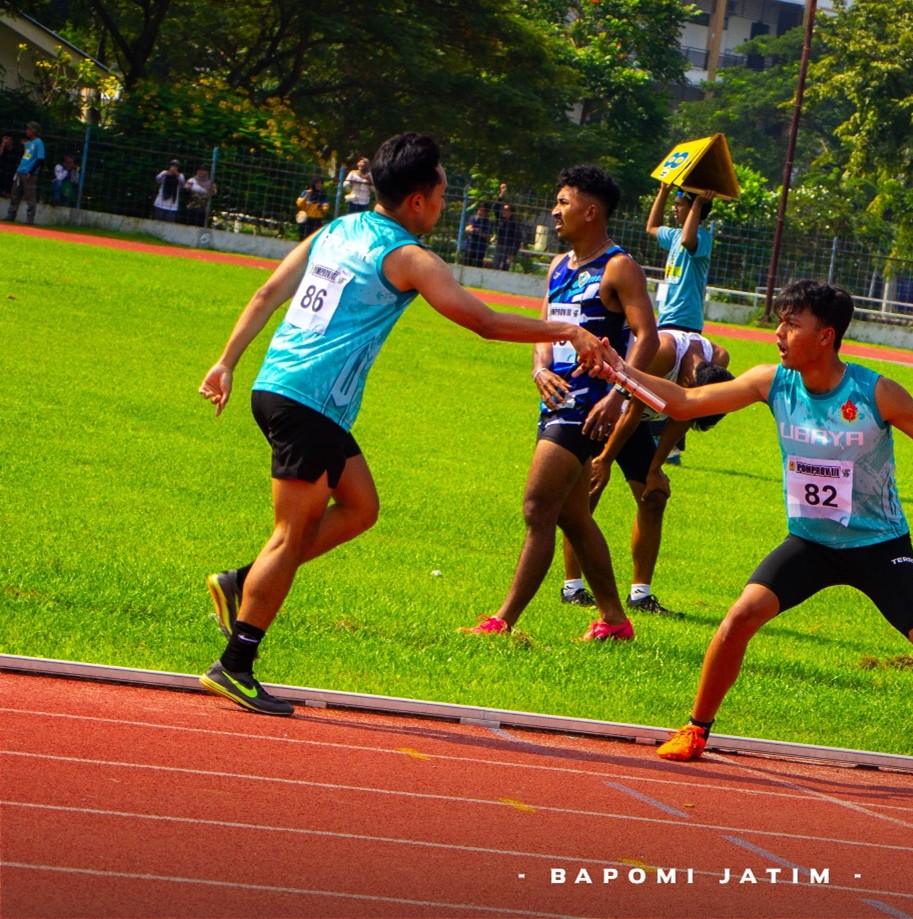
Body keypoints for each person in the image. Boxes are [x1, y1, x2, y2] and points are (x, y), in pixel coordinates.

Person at [196, 132, 606, 716]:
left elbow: (269, 291)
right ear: (417, 199)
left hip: (285, 391)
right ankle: (235, 663)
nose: (444, 204)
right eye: (442, 193)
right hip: (307, 400)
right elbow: (482, 321)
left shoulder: (337, 228)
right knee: (289, 537)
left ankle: (243, 581)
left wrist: (227, 361)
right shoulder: (409, 257)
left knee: (361, 507)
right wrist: (565, 330)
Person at [590, 279, 913, 789]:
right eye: (779, 322)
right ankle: (696, 728)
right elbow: (685, 402)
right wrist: (622, 372)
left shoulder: (876, 393)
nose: (778, 334)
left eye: (791, 325)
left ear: (825, 337)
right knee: (739, 616)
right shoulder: (773, 382)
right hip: (810, 545)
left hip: (878, 548)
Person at [465, 164, 658, 641]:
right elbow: (544, 329)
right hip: (555, 399)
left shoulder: (619, 267)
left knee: (537, 508)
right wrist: (539, 368)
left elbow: (647, 337)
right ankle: (615, 621)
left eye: (564, 202)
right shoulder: (558, 266)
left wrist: (619, 392)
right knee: (572, 515)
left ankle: (502, 620)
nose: (555, 211)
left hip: (589, 406)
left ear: (591, 211)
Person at [560, 328, 733, 617]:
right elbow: (632, 410)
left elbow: (684, 415)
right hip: (604, 407)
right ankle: (572, 588)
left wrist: (655, 469)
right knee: (588, 492)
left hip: (635, 420)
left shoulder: (719, 358)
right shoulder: (663, 352)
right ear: (688, 381)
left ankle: (640, 596)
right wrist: (604, 460)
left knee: (653, 498)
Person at [647, 183, 715, 332]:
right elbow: (652, 227)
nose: (674, 208)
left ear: (692, 210)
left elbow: (687, 241)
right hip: (666, 317)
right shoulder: (674, 235)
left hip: (685, 321)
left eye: (679, 205)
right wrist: (663, 191)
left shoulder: (702, 237)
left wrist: (697, 203)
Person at [5, 122, 46, 224]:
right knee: (15, 194)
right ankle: (11, 215)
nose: (27, 131)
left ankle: (30, 219)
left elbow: (40, 159)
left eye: (29, 129)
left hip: (29, 173)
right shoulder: (29, 143)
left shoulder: (38, 143)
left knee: (30, 197)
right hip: (21, 171)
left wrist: (31, 171)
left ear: (34, 131)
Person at [492, 202, 527, 271]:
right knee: (495, 265)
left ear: (511, 212)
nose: (504, 211)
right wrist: (501, 195)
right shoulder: (500, 219)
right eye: (503, 209)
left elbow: (518, 240)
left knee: (505, 267)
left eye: (506, 210)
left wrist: (513, 254)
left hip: (509, 248)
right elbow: (495, 207)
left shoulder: (514, 224)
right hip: (499, 246)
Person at [461, 202, 493, 267]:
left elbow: (486, 236)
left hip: (480, 248)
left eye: (483, 211)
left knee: (477, 265)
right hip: (470, 245)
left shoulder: (488, 222)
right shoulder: (473, 218)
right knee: (466, 264)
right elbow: (468, 229)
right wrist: (478, 231)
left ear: (486, 212)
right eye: (479, 210)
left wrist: (476, 231)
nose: (480, 212)